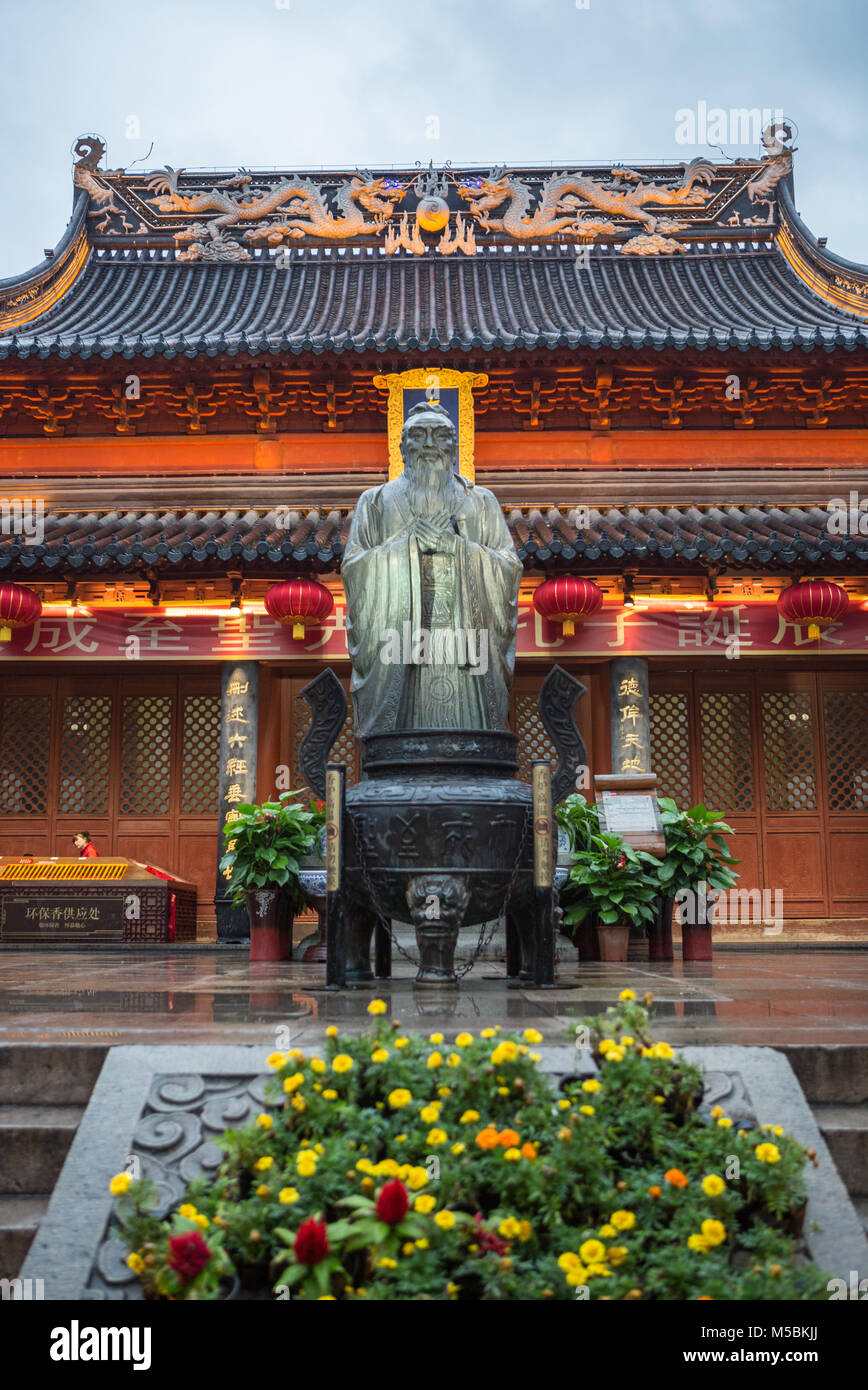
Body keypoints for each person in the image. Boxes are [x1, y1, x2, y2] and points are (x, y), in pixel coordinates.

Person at [342, 400, 521, 734]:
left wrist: (456, 547)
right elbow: (354, 567)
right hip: (398, 642)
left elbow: (508, 565)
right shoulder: (375, 502)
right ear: (402, 447)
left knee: (469, 732)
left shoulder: (482, 502)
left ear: (454, 448)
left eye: (439, 435)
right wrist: (408, 546)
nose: (428, 444)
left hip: (465, 641)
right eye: (418, 435)